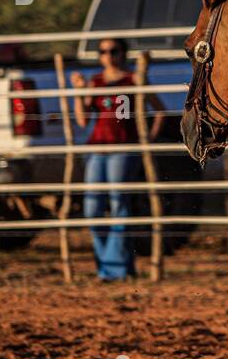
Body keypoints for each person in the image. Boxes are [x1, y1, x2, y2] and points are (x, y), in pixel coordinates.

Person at [70, 38, 165, 281]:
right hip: (97, 148)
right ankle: (108, 265)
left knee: (118, 204)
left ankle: (117, 268)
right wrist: (78, 92)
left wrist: (147, 139)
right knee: (92, 208)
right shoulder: (96, 82)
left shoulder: (133, 79)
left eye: (113, 51)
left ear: (123, 54)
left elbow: (160, 110)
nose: (108, 55)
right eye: (103, 51)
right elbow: (82, 120)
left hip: (123, 148)